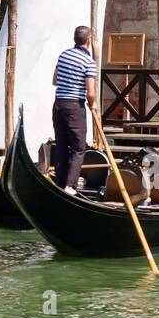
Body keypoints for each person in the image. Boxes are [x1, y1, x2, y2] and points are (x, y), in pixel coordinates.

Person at [51, 25, 98, 195]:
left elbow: (55, 80)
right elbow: (90, 92)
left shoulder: (63, 55)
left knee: (62, 146)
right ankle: (70, 187)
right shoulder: (89, 62)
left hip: (58, 105)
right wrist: (91, 103)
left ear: (75, 40)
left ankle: (60, 183)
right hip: (74, 107)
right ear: (89, 41)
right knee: (78, 148)